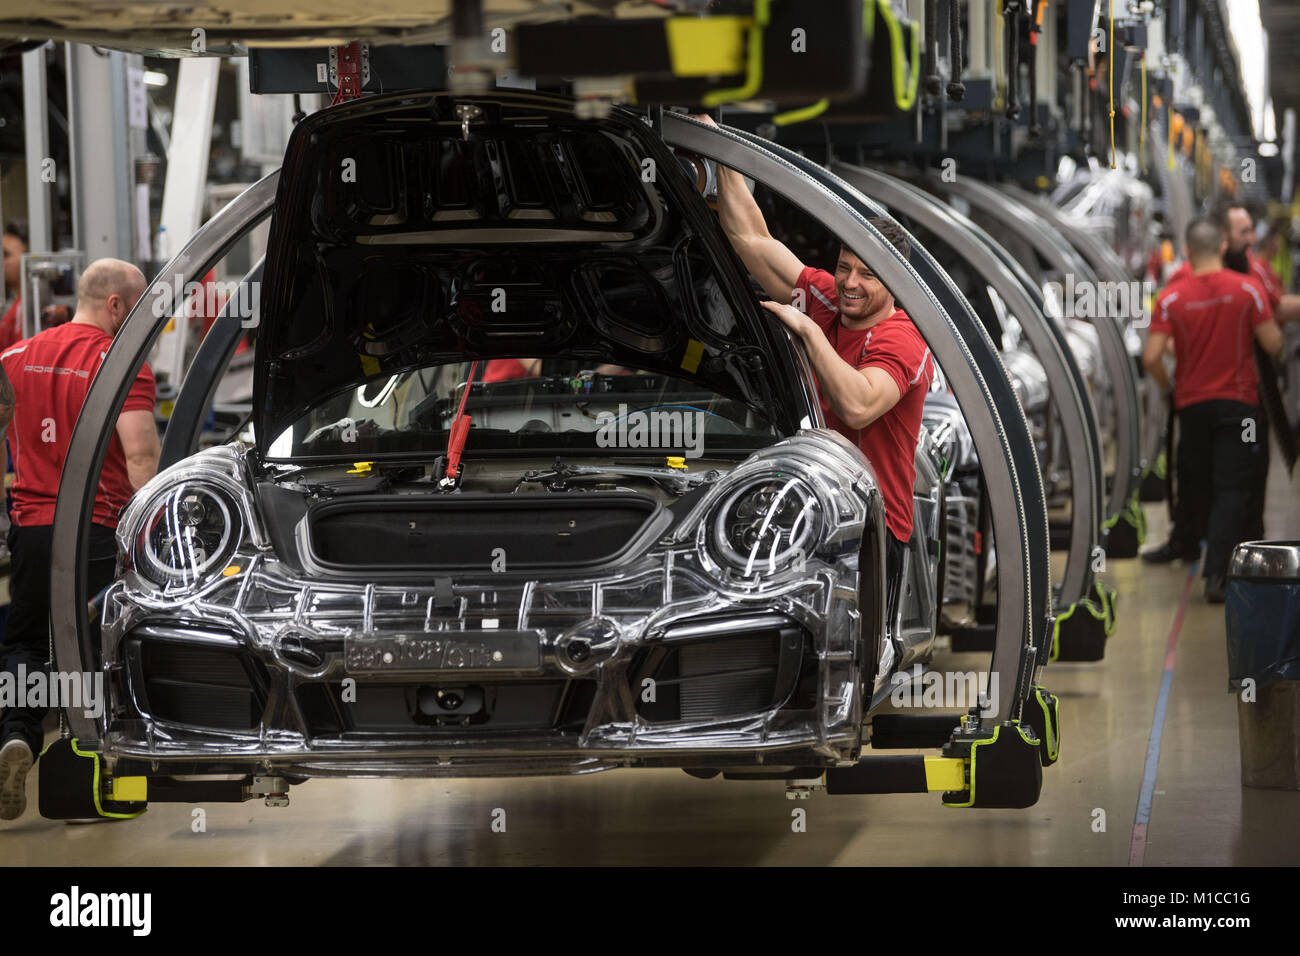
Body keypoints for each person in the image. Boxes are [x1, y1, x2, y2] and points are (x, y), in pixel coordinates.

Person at [695, 115, 932, 587]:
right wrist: (717, 147)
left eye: (867, 274)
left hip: (873, 526)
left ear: (895, 282)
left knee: (859, 655)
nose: (849, 283)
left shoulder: (903, 337)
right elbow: (752, 241)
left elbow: (859, 404)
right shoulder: (824, 296)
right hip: (811, 513)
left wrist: (810, 332)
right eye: (844, 267)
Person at [0, 258, 160, 821]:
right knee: (95, 650)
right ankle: (94, 774)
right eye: (138, 308)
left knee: (23, 641)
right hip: (95, 528)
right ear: (116, 305)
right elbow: (139, 453)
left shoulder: (14, 358)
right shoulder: (119, 364)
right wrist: (155, 534)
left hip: (31, 529)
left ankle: (16, 733)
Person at [1143, 219, 1289, 602]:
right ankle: (1216, 574)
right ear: (1222, 248)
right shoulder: (1248, 290)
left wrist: (1169, 386)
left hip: (1192, 407)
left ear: (1188, 252)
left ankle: (1195, 547)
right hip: (1241, 411)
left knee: (1198, 481)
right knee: (1234, 486)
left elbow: (1152, 356)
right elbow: (1273, 344)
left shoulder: (1171, 298)